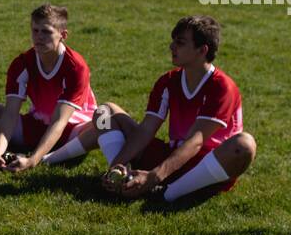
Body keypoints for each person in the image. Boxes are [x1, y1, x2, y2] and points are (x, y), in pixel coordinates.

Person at [89, 15, 257, 202]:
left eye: (180, 43)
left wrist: (153, 177)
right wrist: (117, 164)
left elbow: (196, 142)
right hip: (173, 157)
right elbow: (146, 129)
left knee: (244, 145)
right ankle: (119, 178)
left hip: (205, 168)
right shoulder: (168, 81)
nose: (171, 47)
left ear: (202, 50)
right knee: (104, 112)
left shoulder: (222, 87)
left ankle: (167, 193)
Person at [0, 3, 99, 172]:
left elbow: (60, 121)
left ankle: (46, 160)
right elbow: (10, 113)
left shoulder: (76, 67)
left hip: (73, 132)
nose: (39, 37)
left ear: (63, 35)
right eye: (35, 31)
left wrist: (34, 159)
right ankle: (0, 156)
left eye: (46, 31)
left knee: (105, 120)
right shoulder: (22, 63)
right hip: (36, 125)